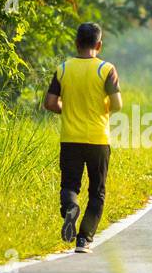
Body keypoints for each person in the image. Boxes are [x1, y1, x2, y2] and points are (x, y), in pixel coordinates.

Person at [43, 22, 122, 253]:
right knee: (97, 191)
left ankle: (71, 207)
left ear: (76, 43)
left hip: (70, 139)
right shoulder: (106, 69)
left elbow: (49, 103)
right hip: (98, 139)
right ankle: (84, 239)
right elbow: (117, 104)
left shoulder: (63, 69)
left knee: (69, 185)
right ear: (99, 44)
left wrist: (65, 110)